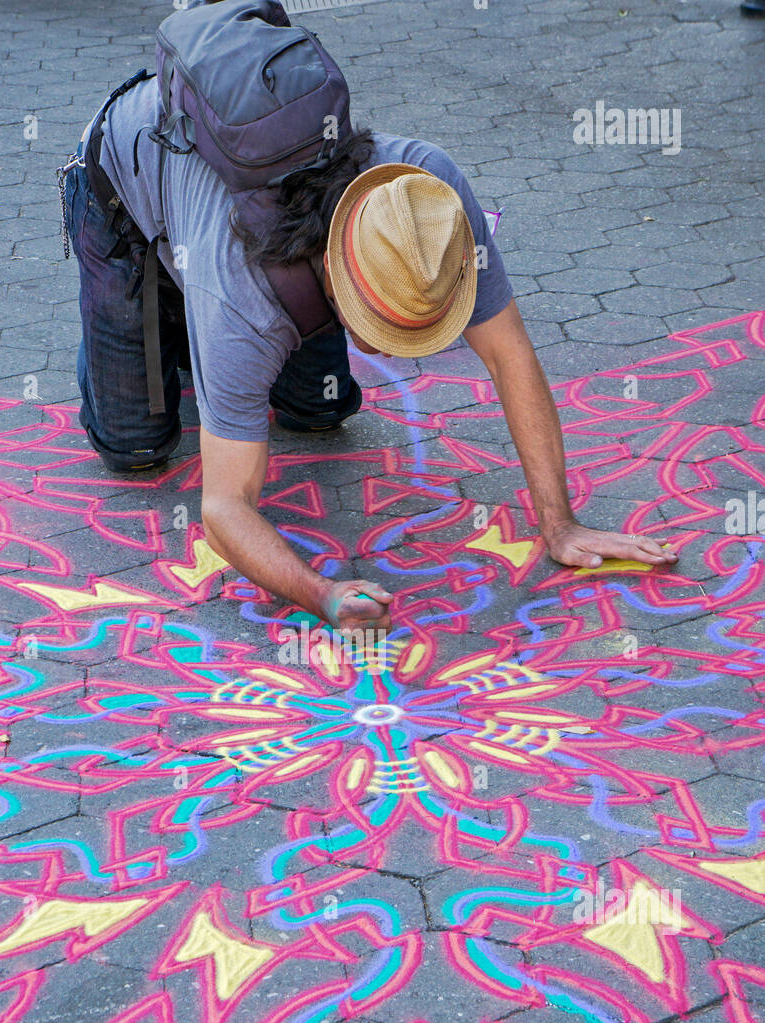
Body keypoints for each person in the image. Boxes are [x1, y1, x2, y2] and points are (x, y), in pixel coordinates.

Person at [63, 77, 677, 635]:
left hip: (273, 255)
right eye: (376, 323)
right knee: (135, 446)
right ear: (336, 272)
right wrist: (321, 594)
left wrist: (560, 523)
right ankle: (167, 311)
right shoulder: (241, 303)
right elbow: (223, 508)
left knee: (318, 410)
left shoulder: (427, 203)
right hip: (124, 186)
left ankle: (199, 338)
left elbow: (511, 355)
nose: (390, 353)